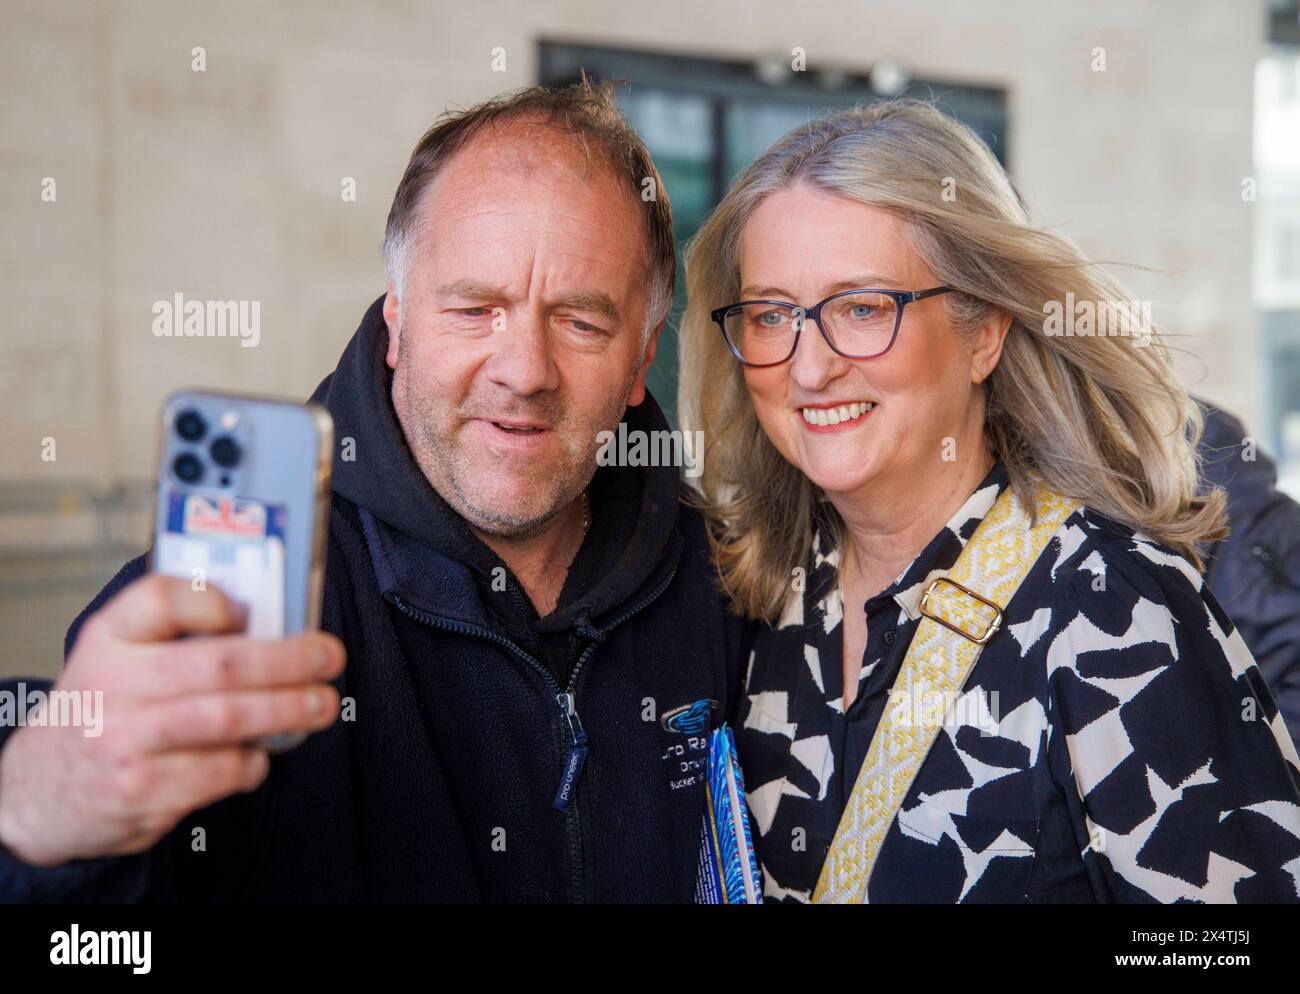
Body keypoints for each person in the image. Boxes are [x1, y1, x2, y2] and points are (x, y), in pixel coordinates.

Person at [0, 79, 750, 902]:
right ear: (397, 322)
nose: (525, 372)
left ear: (642, 360)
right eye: (475, 309)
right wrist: (40, 822)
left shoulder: (722, 578)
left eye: (581, 322)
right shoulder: (236, 599)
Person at [678, 99, 1300, 903]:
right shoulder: (762, 596)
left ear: (984, 332)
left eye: (862, 308)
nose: (808, 368)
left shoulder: (1115, 610)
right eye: (771, 315)